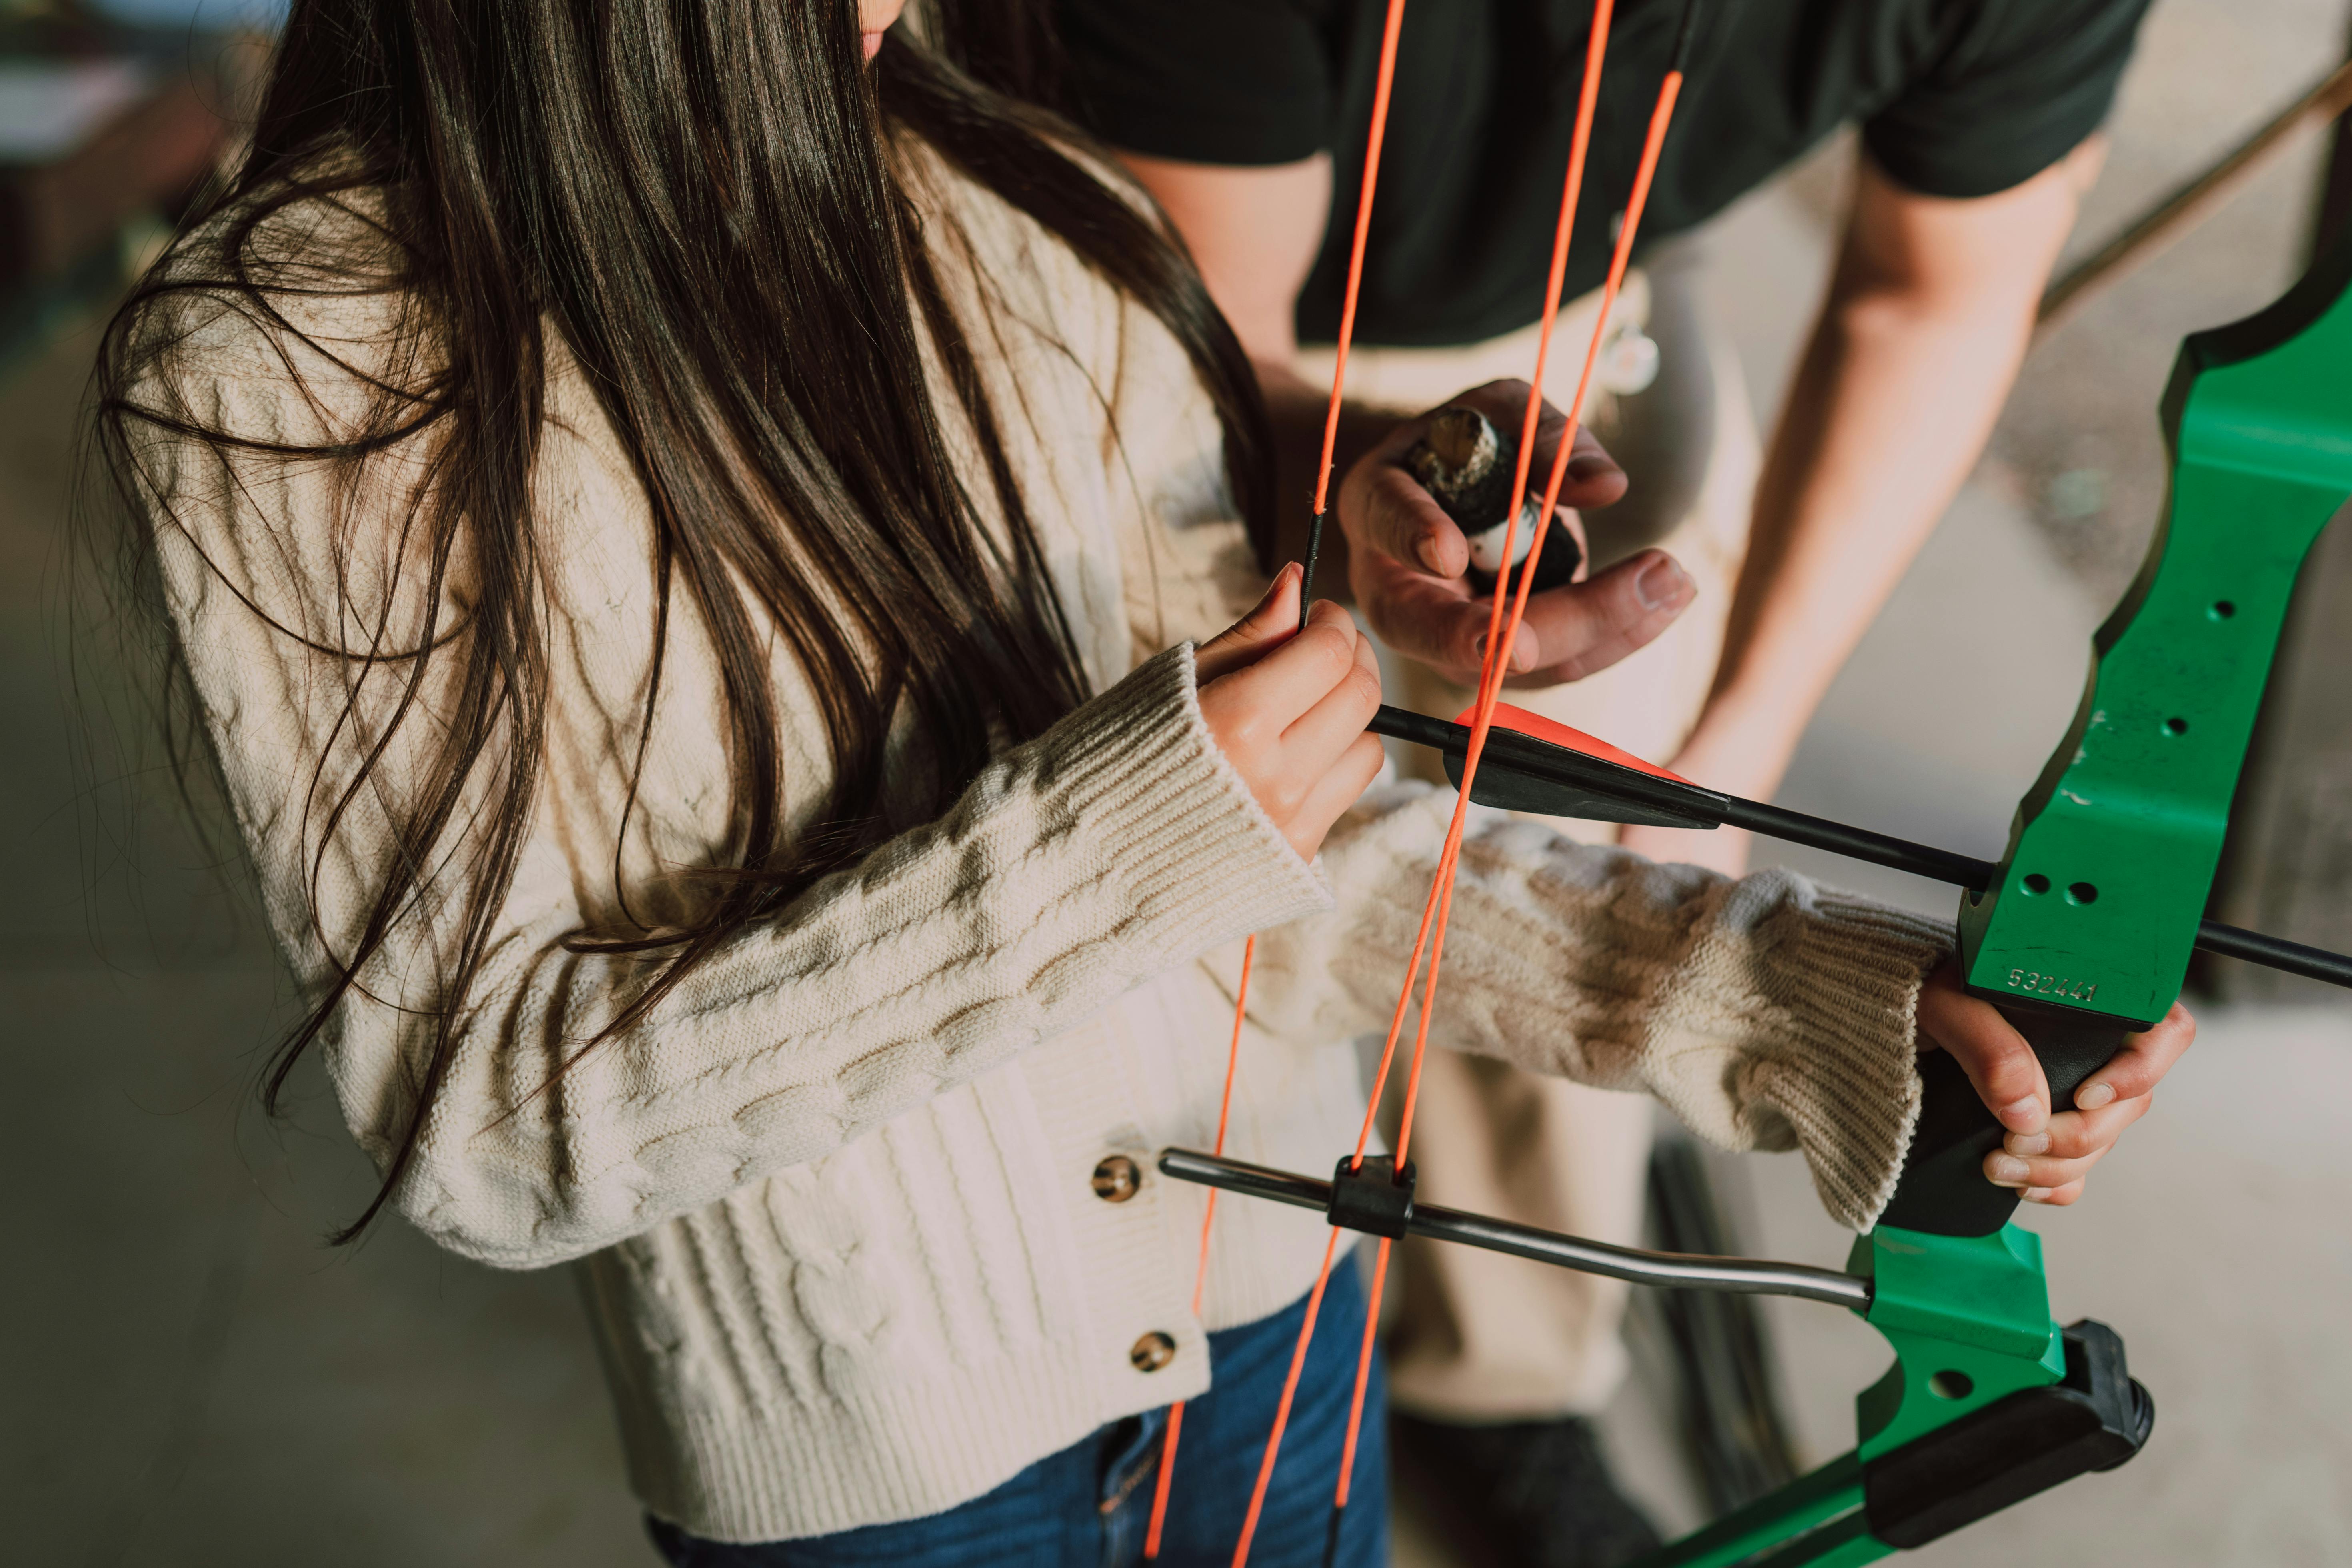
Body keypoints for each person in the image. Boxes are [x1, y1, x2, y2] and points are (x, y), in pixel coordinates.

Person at [92, 1, 2189, 1565]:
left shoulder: (1038, 208)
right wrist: (1144, 823)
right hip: (892, 1484)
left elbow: (1292, 867)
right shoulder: (289, 372)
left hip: (1280, 1333)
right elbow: (500, 1127)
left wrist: (1814, 1016)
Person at [1051, 0, 2157, 1555]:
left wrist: (1737, 745)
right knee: (1190, 818)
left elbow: (1935, 294)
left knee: (1611, 781)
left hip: (1573, 324)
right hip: (1156, 304)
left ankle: (1496, 1383)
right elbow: (1204, 342)